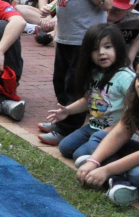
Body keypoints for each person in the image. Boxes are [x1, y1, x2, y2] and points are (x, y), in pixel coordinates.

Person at [39, 0, 114, 144]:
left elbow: (107, 4)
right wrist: (50, 8)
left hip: (85, 38)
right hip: (64, 36)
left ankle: (68, 129)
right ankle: (63, 118)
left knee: (75, 84)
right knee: (60, 81)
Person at [44, 24, 134, 156]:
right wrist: (68, 111)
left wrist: (118, 130)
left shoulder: (126, 77)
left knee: (79, 154)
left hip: (115, 132)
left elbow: (133, 110)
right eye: (95, 49)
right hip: (93, 126)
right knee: (65, 147)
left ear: (119, 47)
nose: (101, 52)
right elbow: (88, 99)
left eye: (107, 47)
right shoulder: (95, 73)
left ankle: (115, 159)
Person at [74, 74, 139, 206]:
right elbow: (119, 134)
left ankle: (114, 175)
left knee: (135, 175)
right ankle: (119, 182)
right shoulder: (136, 102)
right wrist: (94, 161)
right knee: (99, 137)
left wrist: (107, 170)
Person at [108, 0, 139, 65]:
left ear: (130, 8)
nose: (108, 14)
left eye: (116, 11)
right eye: (106, 8)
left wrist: (129, 63)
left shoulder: (135, 20)